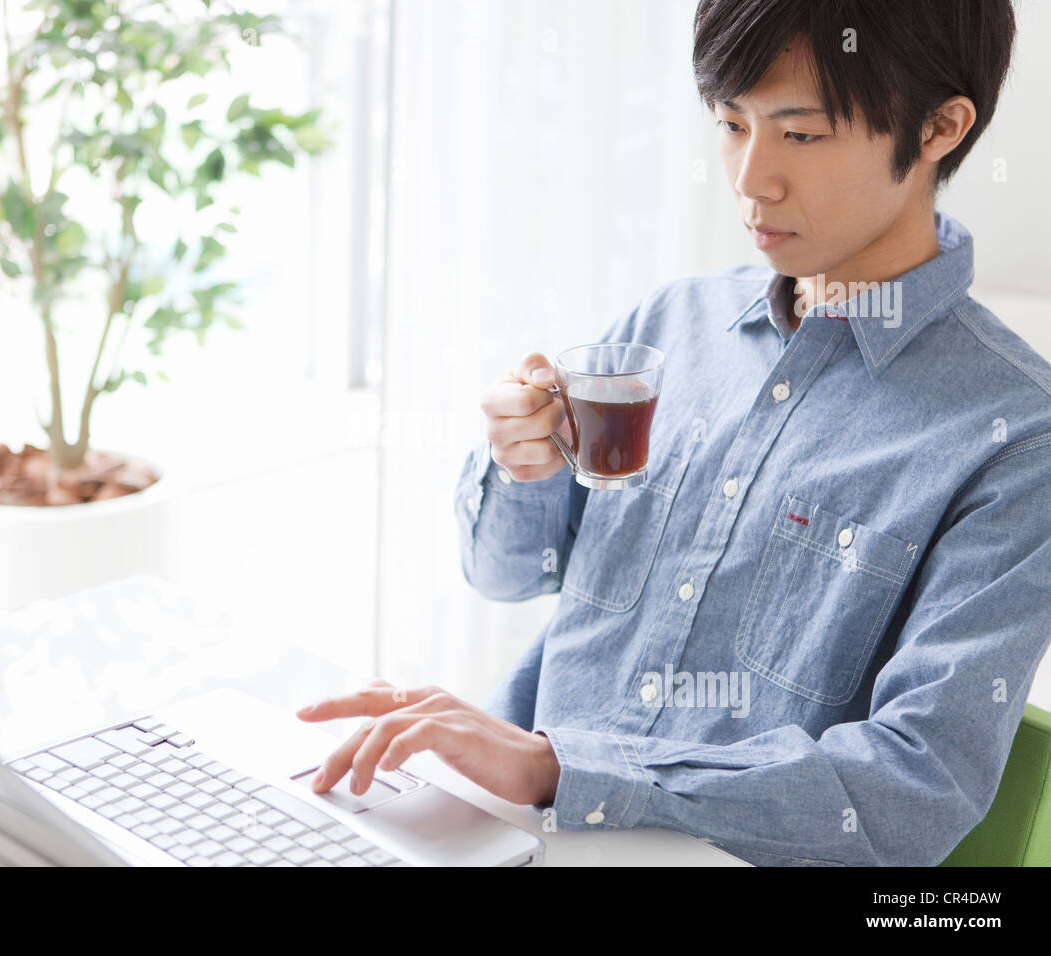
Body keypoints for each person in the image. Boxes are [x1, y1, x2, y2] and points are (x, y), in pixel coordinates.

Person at [297, 0, 1050, 865]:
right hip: (503, 831)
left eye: (801, 136)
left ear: (939, 128)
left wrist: (559, 770)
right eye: (732, 124)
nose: (750, 179)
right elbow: (502, 575)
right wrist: (522, 465)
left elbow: (913, 788)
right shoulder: (672, 323)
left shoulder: (1015, 438)